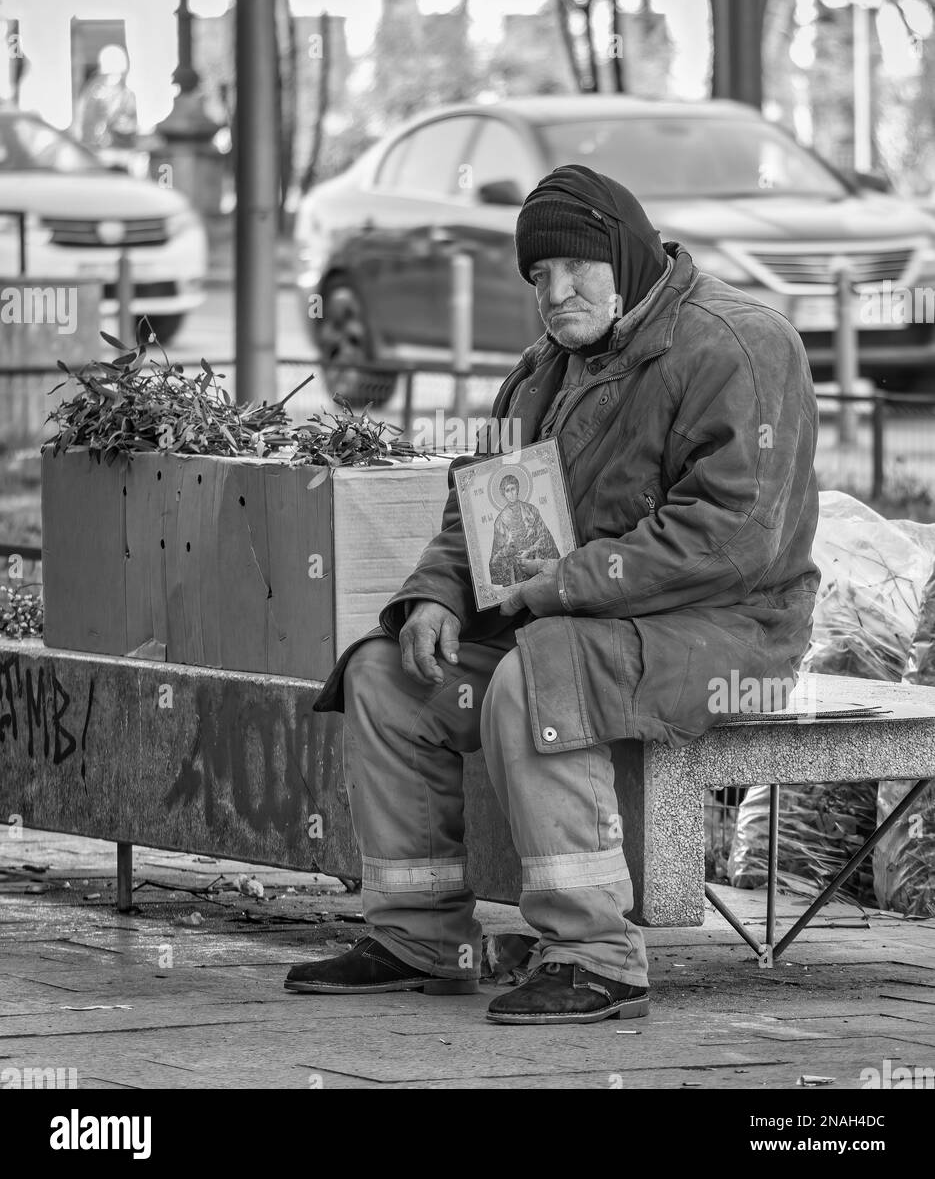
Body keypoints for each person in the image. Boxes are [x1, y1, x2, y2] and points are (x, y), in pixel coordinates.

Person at [285, 163, 821, 1025]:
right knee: (387, 674)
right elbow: (483, 505)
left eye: (574, 268)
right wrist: (437, 597)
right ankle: (421, 937)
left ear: (627, 256)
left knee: (542, 669)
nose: (554, 292)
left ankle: (596, 956)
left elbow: (734, 535)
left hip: (727, 630)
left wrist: (561, 586)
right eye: (537, 275)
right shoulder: (546, 365)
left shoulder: (739, 343)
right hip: (569, 614)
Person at [488, 473, 559, 589]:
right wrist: (509, 550)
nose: (511, 493)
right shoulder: (500, 521)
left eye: (513, 489)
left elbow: (544, 536)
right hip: (515, 570)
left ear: (518, 489)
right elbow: (497, 554)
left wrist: (529, 550)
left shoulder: (531, 510)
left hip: (536, 561)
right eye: (507, 490)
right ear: (503, 494)